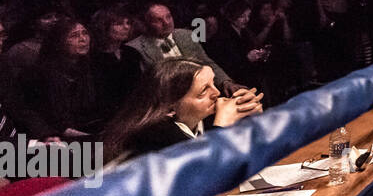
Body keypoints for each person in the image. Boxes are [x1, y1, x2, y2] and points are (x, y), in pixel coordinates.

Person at [102, 60, 263, 162]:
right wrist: (223, 124)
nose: (216, 93)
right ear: (170, 106)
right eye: (203, 91)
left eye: (213, 83)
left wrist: (252, 119)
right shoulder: (154, 134)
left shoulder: (204, 118)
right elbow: (206, 173)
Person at [127, 3, 247, 96]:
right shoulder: (135, 48)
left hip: (201, 95)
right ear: (146, 24)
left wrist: (225, 82)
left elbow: (206, 62)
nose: (166, 22)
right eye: (158, 20)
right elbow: (147, 88)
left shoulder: (187, 35)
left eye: (168, 16)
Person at [89, 5, 144, 122]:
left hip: (136, 111)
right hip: (107, 116)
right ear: (104, 27)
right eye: (119, 24)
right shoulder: (92, 58)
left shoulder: (131, 53)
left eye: (128, 23)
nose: (126, 27)